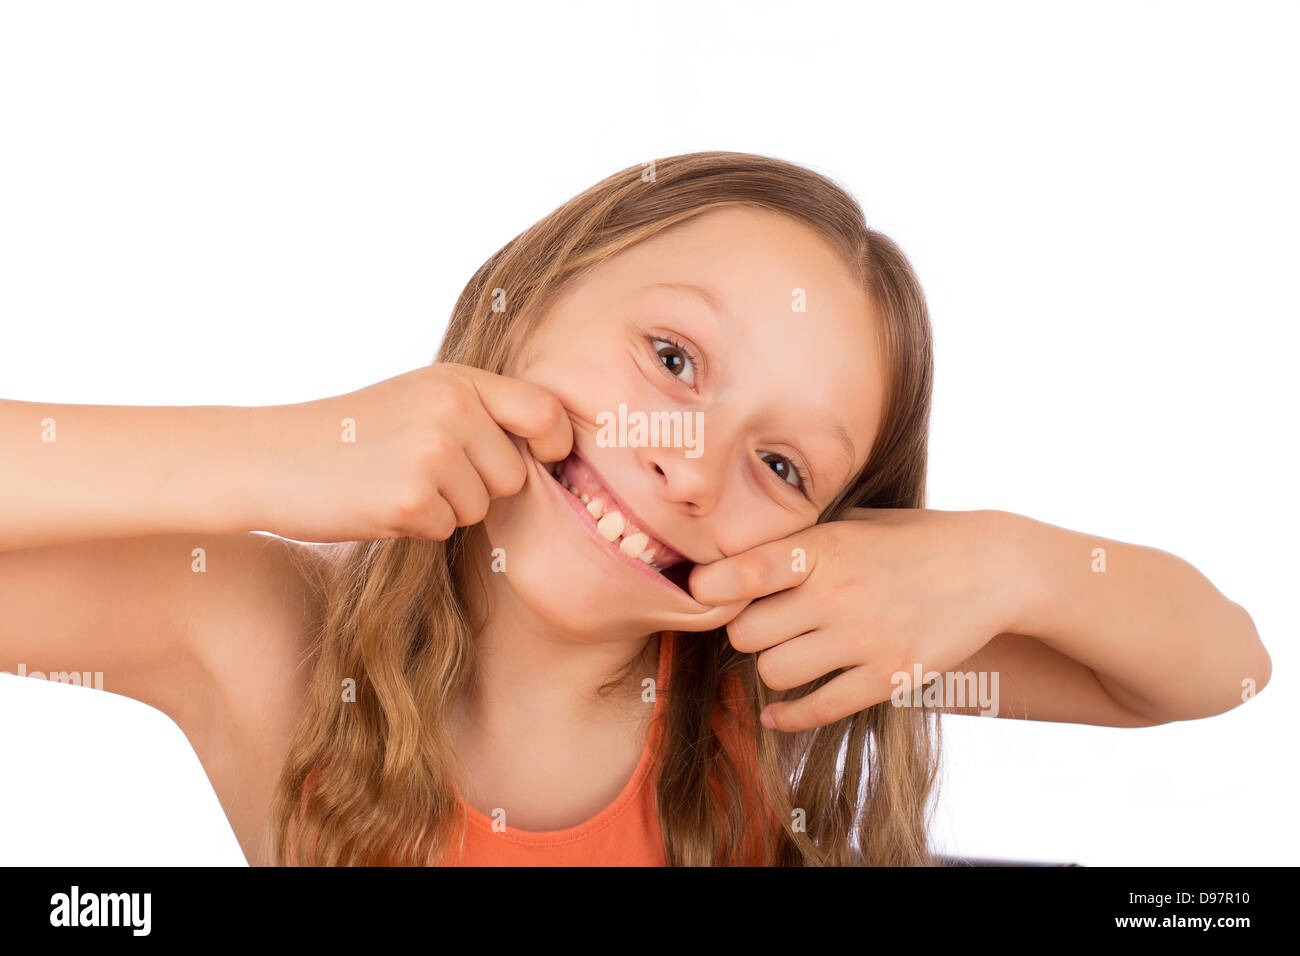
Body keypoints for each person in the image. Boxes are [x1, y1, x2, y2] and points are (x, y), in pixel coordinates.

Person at [0, 151, 1271, 866]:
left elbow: (1219, 665)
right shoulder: (267, 641)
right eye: (670, 359)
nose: (689, 464)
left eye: (781, 469)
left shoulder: (774, 661)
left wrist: (1008, 562)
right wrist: (274, 456)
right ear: (528, 297)